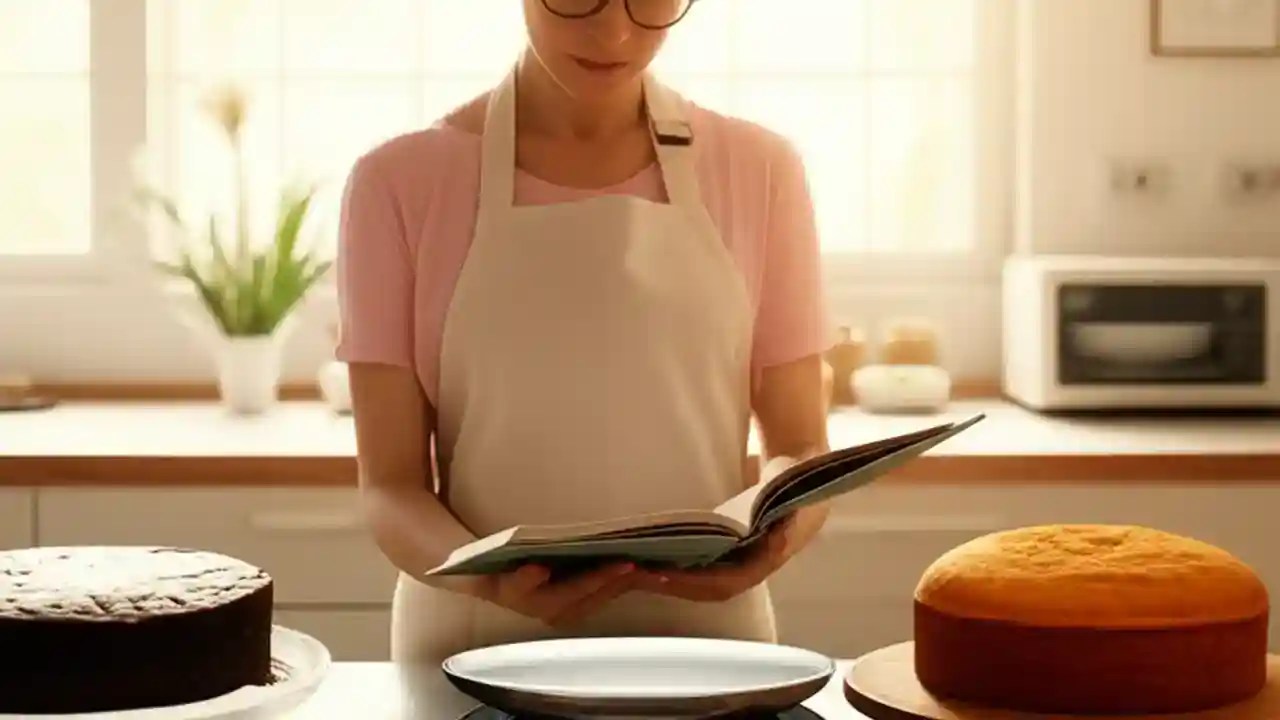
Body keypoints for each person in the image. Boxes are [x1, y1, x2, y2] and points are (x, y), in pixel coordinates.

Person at [336, 0, 834, 667]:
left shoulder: (762, 169)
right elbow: (391, 487)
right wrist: (486, 578)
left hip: (708, 649)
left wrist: (777, 538)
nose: (615, 32)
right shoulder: (397, 183)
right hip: (474, 648)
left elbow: (800, 445)